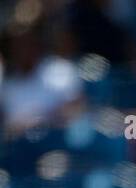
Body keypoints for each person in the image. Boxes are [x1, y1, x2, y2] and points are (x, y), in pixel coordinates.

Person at [0, 3, 84, 137]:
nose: (23, 50)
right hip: (16, 149)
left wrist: (40, 122)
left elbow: (77, 109)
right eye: (17, 44)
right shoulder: (4, 79)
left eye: (28, 42)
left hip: (55, 145)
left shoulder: (62, 70)